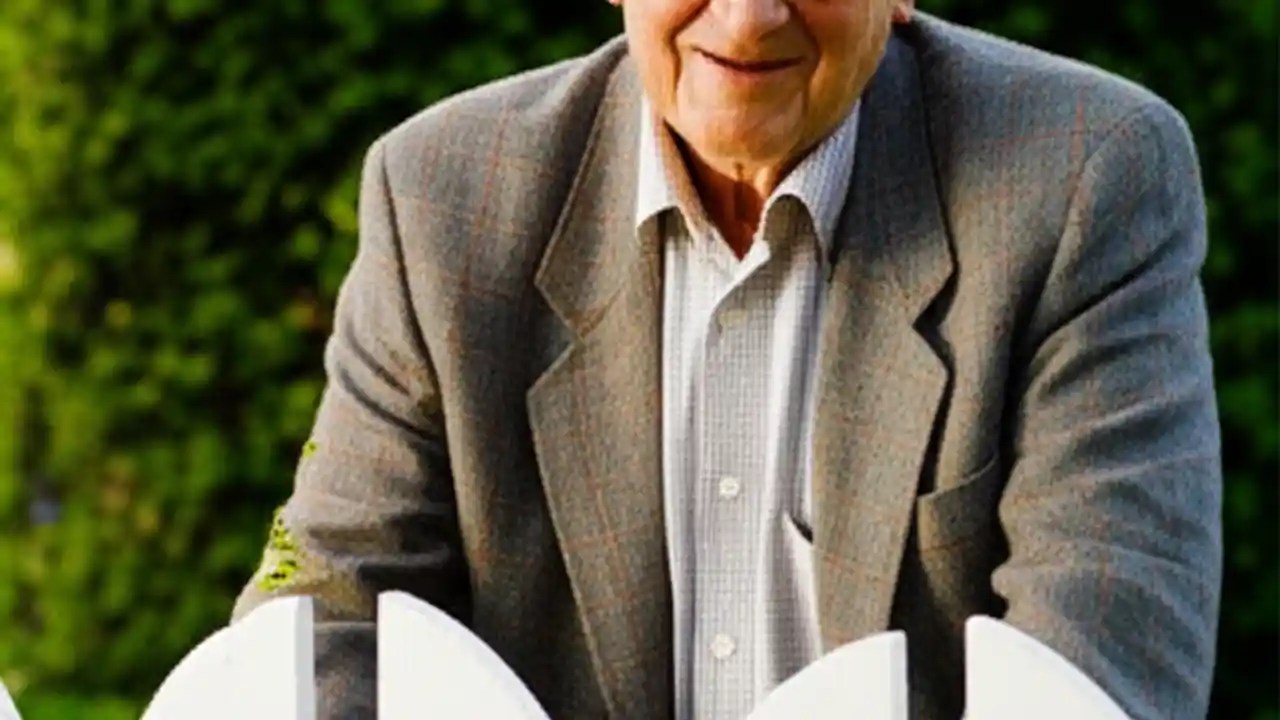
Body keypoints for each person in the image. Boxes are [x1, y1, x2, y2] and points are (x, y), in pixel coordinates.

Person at [231, 1, 1223, 718]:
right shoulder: (440, 199)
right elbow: (320, 616)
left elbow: (1096, 673)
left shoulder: (1084, 177)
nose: (746, 19)